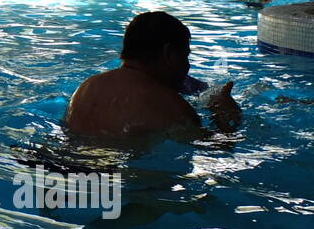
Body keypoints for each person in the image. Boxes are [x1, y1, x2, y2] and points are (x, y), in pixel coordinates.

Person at [64, 11, 240, 137]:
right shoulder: (172, 108)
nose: (187, 65)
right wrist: (226, 121)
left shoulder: (86, 87)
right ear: (169, 54)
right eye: (185, 56)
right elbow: (216, 152)